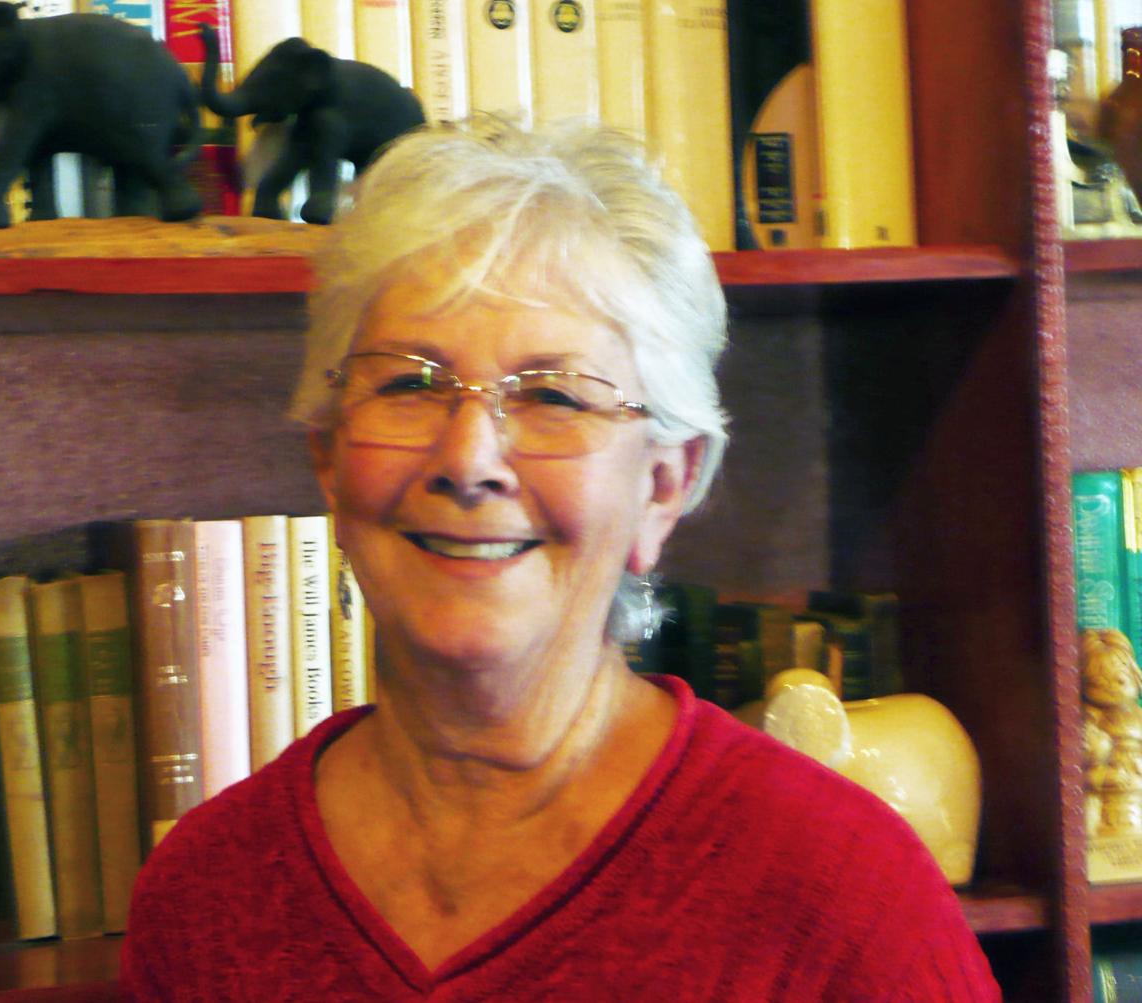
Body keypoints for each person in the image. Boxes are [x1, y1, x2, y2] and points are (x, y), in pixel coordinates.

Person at [120, 116, 1001, 1001]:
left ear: (663, 484)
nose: (468, 460)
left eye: (552, 396)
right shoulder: (204, 897)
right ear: (329, 452)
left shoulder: (845, 897)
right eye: (411, 384)